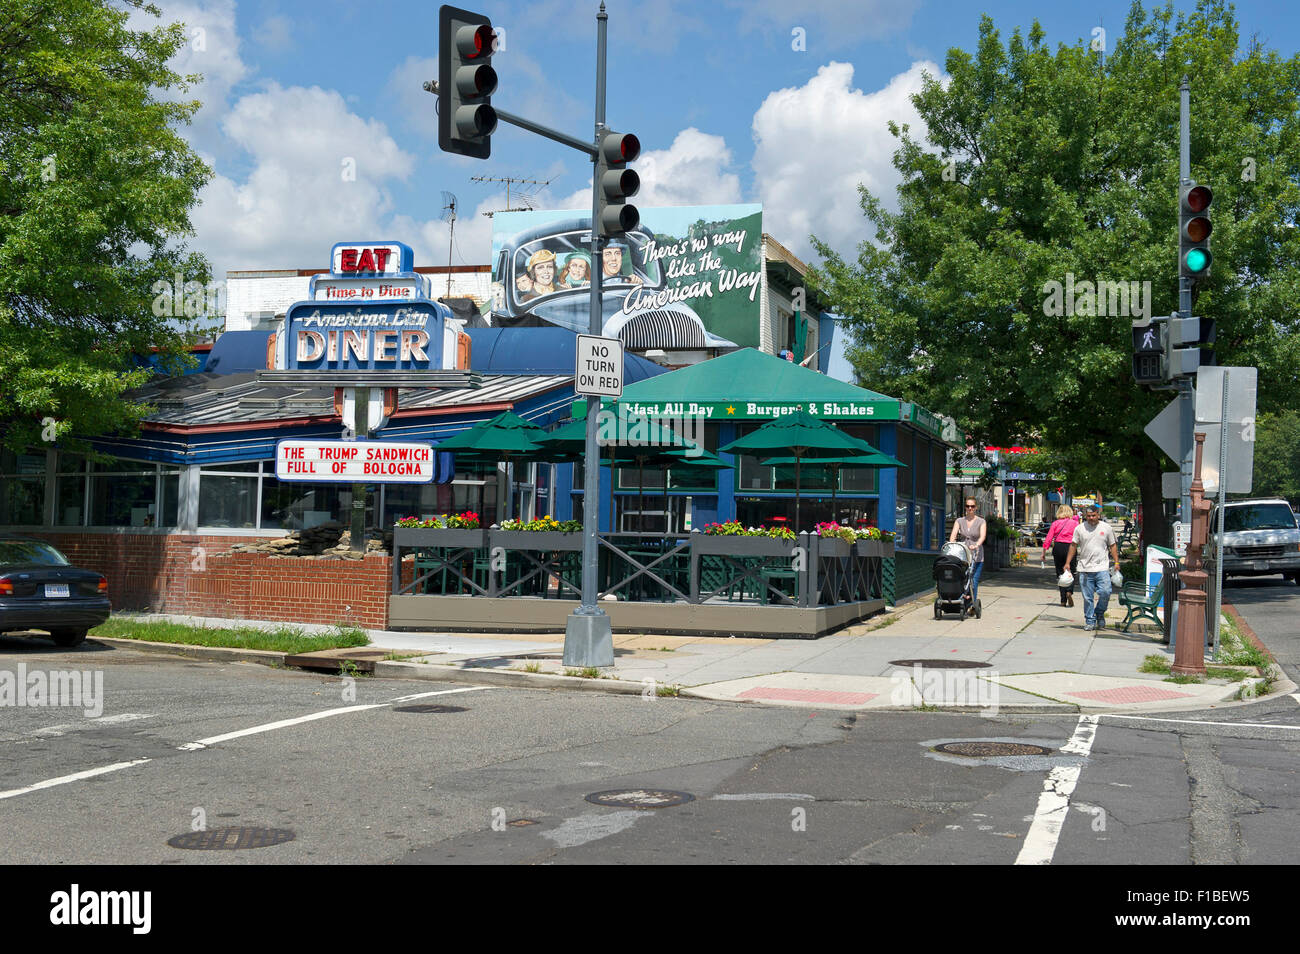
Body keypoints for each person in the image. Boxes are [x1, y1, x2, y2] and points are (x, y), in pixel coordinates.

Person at [1065, 504, 1120, 631]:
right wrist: (1067, 563)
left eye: (1093, 515)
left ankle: (1099, 613)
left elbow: (1113, 546)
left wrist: (1116, 562)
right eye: (1088, 516)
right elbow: (1073, 545)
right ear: (1085, 516)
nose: (1091, 518)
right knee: (1088, 597)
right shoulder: (1079, 528)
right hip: (1085, 568)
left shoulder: (1106, 528)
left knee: (1106, 592)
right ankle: (1090, 620)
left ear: (1098, 515)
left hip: (1102, 567)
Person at [949, 497, 987, 613]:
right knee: (961, 580)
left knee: (973, 581)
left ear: (976, 508)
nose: (970, 508)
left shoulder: (981, 521)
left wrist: (977, 545)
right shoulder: (959, 521)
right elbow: (953, 535)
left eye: (972, 506)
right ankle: (960, 601)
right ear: (965, 507)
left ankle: (972, 605)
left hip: (976, 556)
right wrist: (951, 544)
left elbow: (982, 536)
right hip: (963, 555)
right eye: (967, 506)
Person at [1042, 503, 1080, 607]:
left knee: (1060, 573)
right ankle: (1069, 591)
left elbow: (1049, 538)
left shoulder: (1055, 523)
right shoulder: (1075, 523)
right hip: (1070, 547)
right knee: (1071, 571)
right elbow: (1080, 537)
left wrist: (1044, 552)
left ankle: (1063, 600)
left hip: (1058, 547)